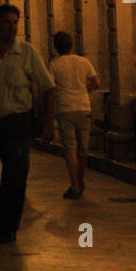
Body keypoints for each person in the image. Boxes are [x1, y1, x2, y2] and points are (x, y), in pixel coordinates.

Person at [0, 5, 56, 244]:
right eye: (7, 22)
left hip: (17, 123)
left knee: (15, 176)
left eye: (15, 22)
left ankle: (8, 227)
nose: (12, 27)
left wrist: (48, 123)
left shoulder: (27, 52)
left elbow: (48, 87)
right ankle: (1, 216)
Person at [47, 31, 100, 200]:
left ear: (56, 47)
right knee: (83, 149)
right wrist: (84, 91)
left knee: (70, 148)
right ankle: (80, 180)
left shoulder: (54, 64)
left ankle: (75, 185)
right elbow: (96, 82)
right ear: (72, 45)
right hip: (84, 107)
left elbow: (51, 88)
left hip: (65, 108)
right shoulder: (84, 62)